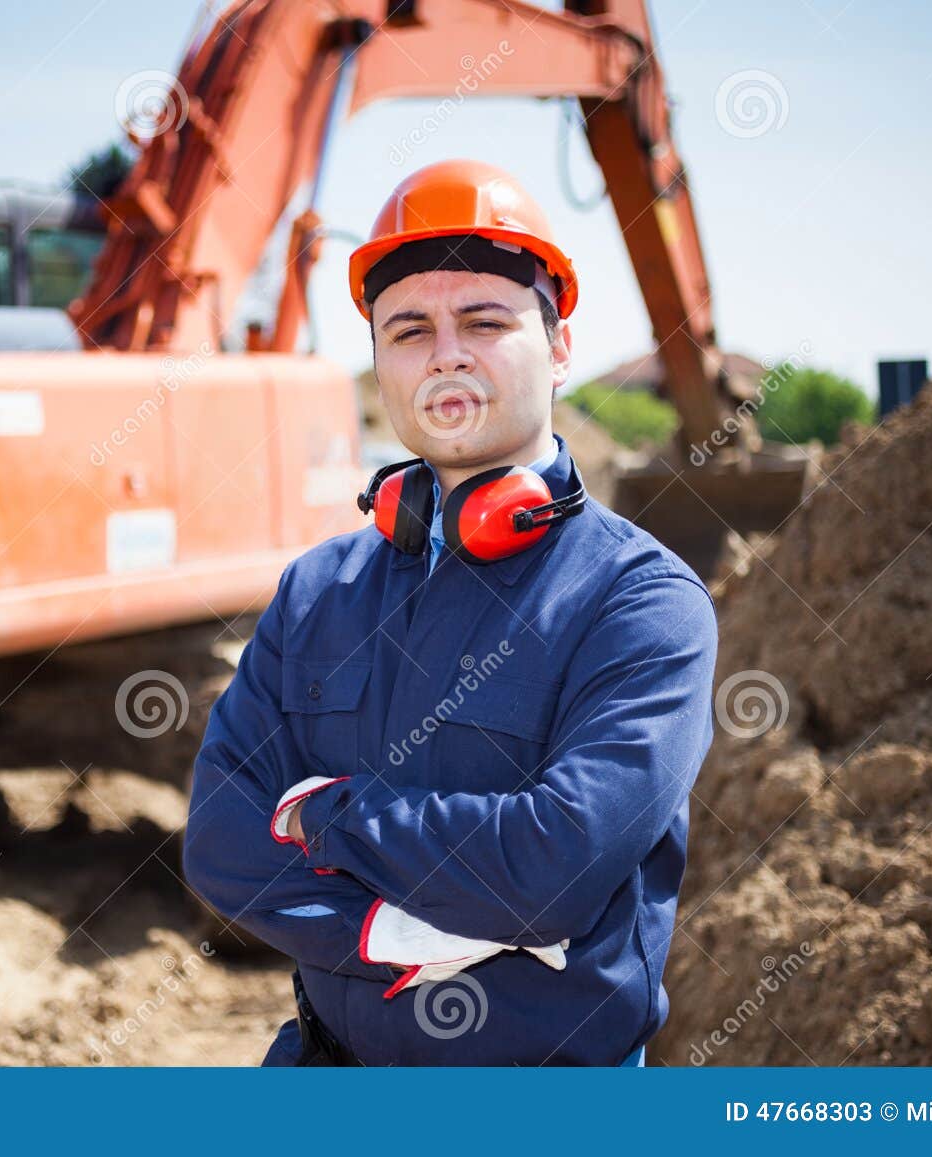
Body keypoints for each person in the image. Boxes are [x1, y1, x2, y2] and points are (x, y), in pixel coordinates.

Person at [182, 159, 718, 1066]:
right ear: (381, 362)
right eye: (408, 329)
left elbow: (553, 867)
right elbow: (221, 844)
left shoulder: (643, 600)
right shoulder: (317, 589)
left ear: (557, 347)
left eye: (484, 320)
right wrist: (386, 934)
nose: (446, 353)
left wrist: (330, 816)